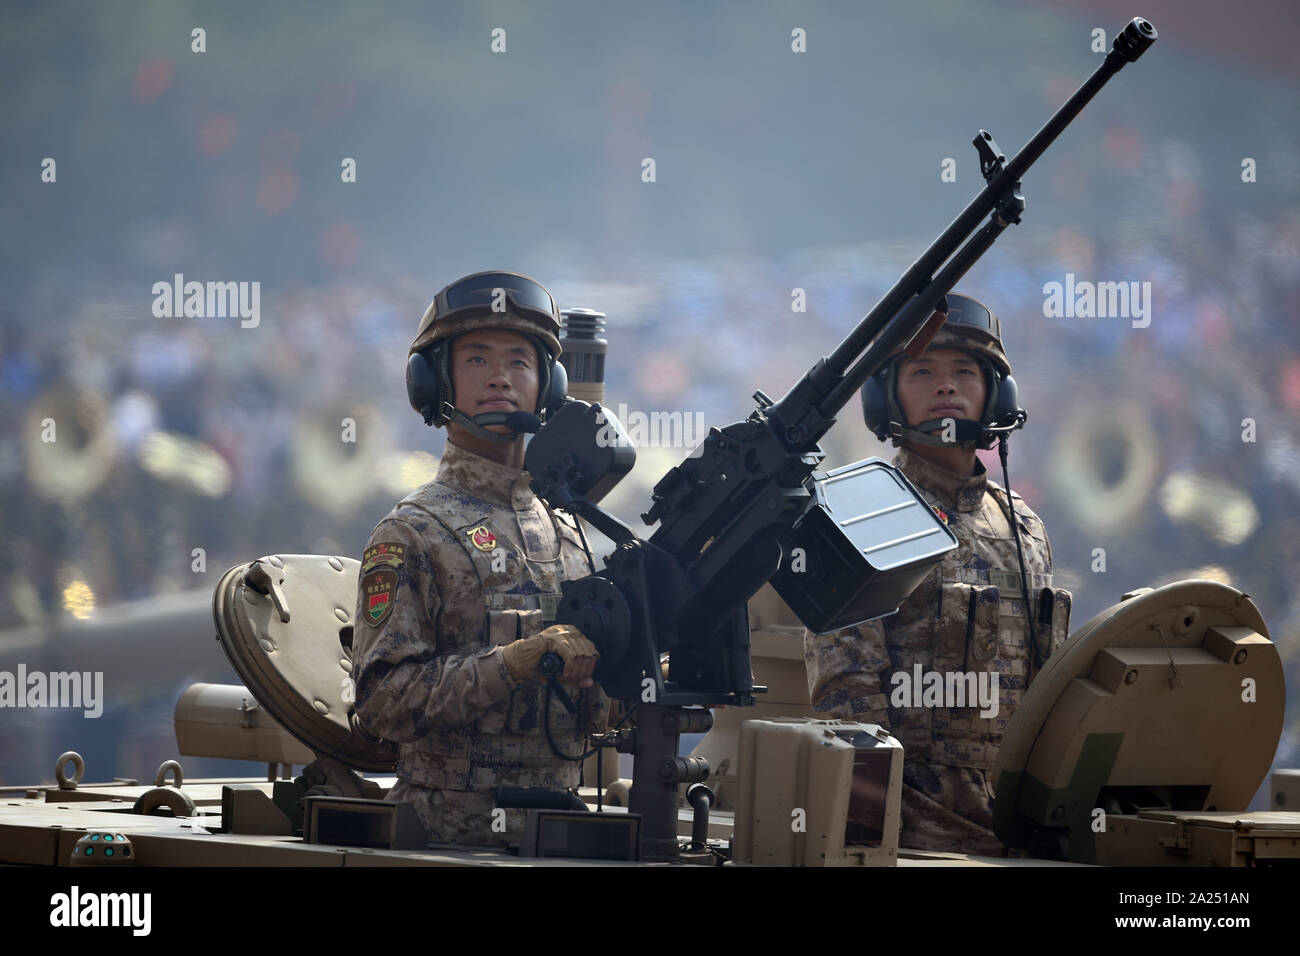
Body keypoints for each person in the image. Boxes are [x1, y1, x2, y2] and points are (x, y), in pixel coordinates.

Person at [803, 293, 1072, 856]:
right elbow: (847, 698)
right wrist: (873, 833)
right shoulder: (858, 511)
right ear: (888, 395)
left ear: (996, 394)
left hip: (1020, 825)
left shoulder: (1023, 525)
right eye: (922, 371)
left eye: (964, 372)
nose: (945, 387)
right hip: (916, 834)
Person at [350, 270, 607, 847]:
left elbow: (605, 716)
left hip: (561, 834)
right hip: (444, 839)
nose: (499, 378)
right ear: (434, 382)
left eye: (519, 362)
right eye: (475, 361)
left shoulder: (571, 532)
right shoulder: (411, 533)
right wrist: (514, 663)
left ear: (550, 385)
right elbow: (382, 705)